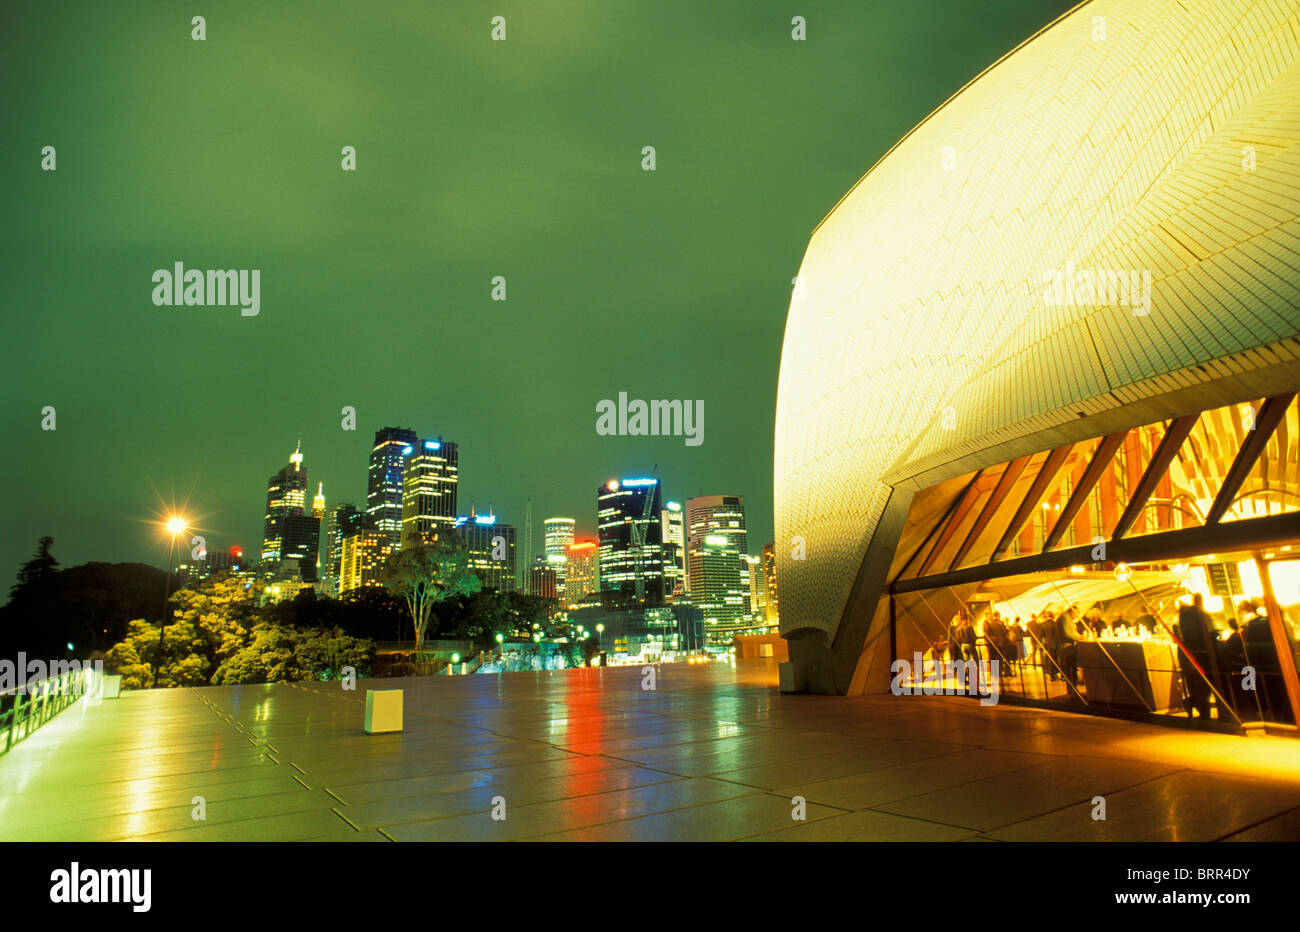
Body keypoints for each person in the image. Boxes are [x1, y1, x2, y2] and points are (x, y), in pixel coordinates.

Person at [1175, 594, 1219, 719]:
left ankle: (1196, 706)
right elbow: (1211, 633)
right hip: (1204, 655)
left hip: (1191, 656)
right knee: (1205, 684)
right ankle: (1199, 707)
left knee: (1196, 685)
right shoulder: (1202, 615)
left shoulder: (1184, 619)